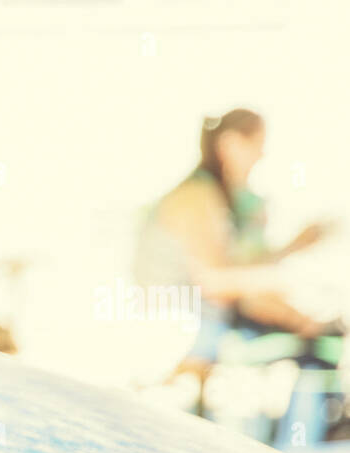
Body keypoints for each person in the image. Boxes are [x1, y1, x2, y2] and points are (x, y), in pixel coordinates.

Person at [137, 109, 333, 367]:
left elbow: (240, 270)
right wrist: (285, 284)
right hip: (176, 336)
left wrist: (295, 247)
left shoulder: (221, 197)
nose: (262, 156)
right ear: (228, 144)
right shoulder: (197, 196)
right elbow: (215, 282)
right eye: (257, 146)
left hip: (205, 324)